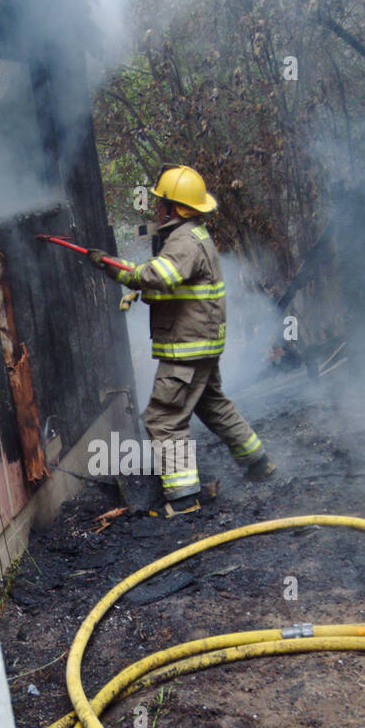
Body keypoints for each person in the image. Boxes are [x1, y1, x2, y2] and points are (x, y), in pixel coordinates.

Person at [88, 164, 275, 516]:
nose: (157, 208)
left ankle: (184, 499)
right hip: (200, 342)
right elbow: (175, 286)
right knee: (212, 404)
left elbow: (159, 276)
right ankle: (259, 463)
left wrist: (114, 268)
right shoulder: (193, 235)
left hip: (186, 348)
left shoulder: (184, 241)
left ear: (174, 207)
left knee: (163, 418)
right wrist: (137, 288)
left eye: (161, 202)